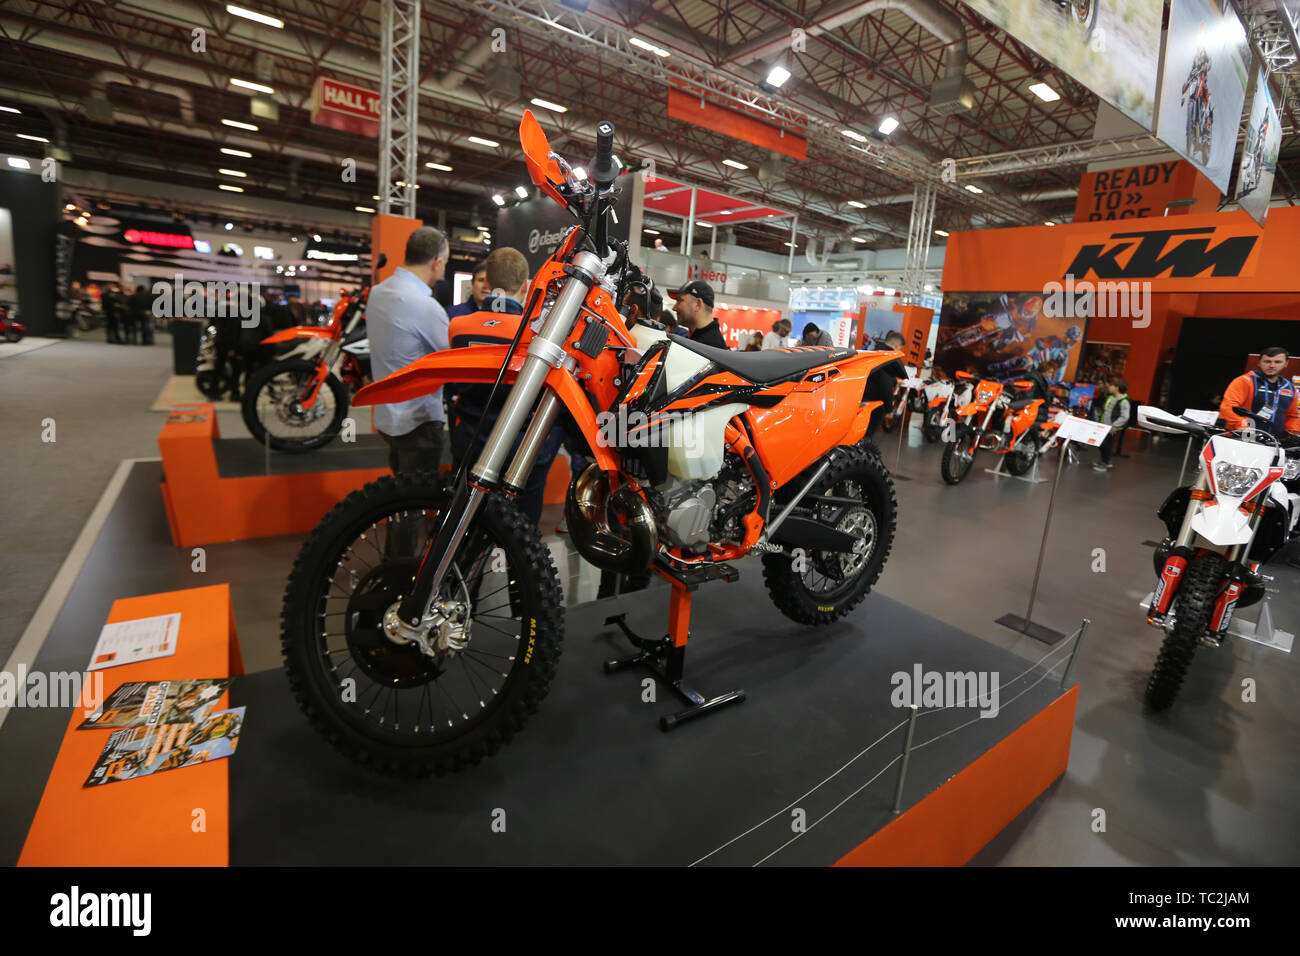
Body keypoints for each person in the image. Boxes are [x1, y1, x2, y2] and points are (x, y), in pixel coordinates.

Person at [446, 247, 563, 525]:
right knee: (522, 526)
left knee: (466, 518)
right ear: (526, 285)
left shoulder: (458, 325)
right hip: (519, 445)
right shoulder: (537, 334)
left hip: (470, 438)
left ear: (487, 283)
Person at [365, 226, 451, 476]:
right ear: (436, 262)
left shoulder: (377, 293)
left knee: (399, 496)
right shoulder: (425, 306)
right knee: (416, 502)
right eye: (445, 261)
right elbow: (453, 358)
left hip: (388, 416)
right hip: (419, 421)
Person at [1220, 346, 1299, 437]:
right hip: (1242, 438)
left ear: (1286, 363)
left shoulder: (1290, 387)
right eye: (1267, 361)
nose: (1272, 365)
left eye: (1277, 362)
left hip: (1275, 443)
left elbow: (1292, 416)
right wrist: (1241, 425)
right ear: (1259, 362)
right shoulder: (1245, 381)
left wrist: (1292, 434)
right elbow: (1228, 407)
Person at [865, 330, 907, 437]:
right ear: (897, 345)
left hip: (863, 397)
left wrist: (894, 380)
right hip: (875, 402)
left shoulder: (876, 351)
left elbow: (878, 375)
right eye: (900, 348)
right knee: (868, 436)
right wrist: (889, 410)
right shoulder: (888, 358)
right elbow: (885, 385)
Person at [668, 279, 727, 349]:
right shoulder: (696, 340)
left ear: (697, 304)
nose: (674, 307)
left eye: (679, 300)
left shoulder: (709, 348)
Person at [1092, 379, 1131, 472]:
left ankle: (1105, 463)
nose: (1109, 387)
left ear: (1117, 388)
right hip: (1103, 425)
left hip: (1112, 428)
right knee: (1100, 443)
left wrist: (1115, 426)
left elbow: (1125, 416)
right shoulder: (1110, 397)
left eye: (1111, 386)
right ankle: (1105, 460)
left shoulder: (1124, 401)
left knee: (1107, 445)